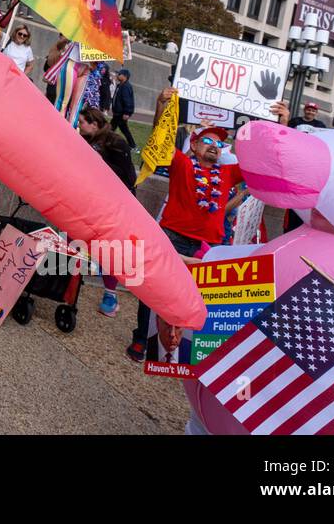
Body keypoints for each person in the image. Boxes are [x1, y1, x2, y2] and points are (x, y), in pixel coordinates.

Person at [125, 124, 243, 362]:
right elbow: (159, 140)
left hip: (207, 247)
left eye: (219, 144)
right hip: (173, 238)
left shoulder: (228, 173)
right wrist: (162, 107)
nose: (215, 147)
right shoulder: (183, 164)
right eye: (208, 141)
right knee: (154, 290)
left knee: (192, 298)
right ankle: (142, 340)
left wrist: (281, 123)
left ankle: (182, 347)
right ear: (194, 146)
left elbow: (258, 162)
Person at [78, 106, 135, 317]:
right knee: (77, 243)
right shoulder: (84, 140)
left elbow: (129, 178)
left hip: (115, 207)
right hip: (89, 203)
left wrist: (99, 161)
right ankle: (67, 285)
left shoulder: (117, 142)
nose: (79, 126)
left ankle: (110, 295)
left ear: (94, 123)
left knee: (110, 252)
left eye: (82, 122)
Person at [111, 68, 136, 148]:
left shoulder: (126, 87)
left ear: (125, 76)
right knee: (116, 128)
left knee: (120, 129)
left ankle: (133, 146)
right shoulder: (120, 85)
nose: (118, 75)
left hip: (121, 113)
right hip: (117, 113)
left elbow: (128, 101)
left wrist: (127, 113)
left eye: (119, 74)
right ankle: (133, 145)